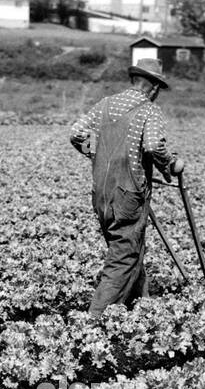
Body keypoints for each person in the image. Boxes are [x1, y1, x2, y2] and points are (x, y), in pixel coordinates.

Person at [69, 57, 184, 318]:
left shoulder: (105, 105)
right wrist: (170, 164)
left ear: (134, 81)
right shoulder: (149, 110)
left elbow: (76, 133)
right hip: (128, 197)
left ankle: (143, 305)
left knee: (130, 248)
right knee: (124, 256)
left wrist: (97, 154)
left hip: (101, 193)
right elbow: (153, 146)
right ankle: (94, 320)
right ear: (154, 87)